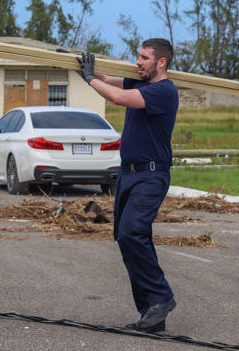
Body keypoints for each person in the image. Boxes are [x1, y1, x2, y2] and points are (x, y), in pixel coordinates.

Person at [78, 38, 178, 333]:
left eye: (144, 57)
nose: (138, 61)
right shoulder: (140, 81)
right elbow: (109, 80)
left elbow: (118, 97)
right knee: (126, 238)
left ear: (161, 62)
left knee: (132, 233)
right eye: (138, 55)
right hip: (128, 174)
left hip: (151, 175)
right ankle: (151, 313)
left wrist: (88, 80)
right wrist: (86, 70)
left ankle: (161, 299)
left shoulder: (163, 91)